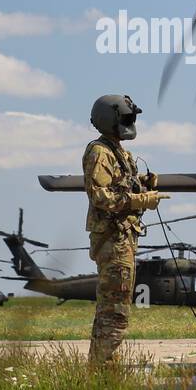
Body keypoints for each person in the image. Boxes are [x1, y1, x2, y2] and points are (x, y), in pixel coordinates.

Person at [83, 95, 167, 365]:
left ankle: (103, 368)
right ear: (111, 120)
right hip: (114, 240)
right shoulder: (100, 152)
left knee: (117, 307)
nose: (131, 123)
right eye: (127, 118)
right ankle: (102, 371)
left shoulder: (118, 152)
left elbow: (120, 185)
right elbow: (101, 198)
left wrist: (143, 182)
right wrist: (143, 200)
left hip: (122, 239)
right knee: (114, 312)